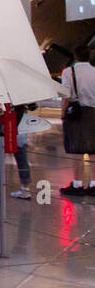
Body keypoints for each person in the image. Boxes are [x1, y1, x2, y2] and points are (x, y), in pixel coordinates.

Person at [60, 44, 95, 196]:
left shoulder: (69, 72)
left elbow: (66, 96)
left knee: (75, 149)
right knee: (94, 150)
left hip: (75, 113)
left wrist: (62, 115)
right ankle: (94, 184)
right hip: (93, 112)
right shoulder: (94, 71)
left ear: (75, 56)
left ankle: (78, 183)